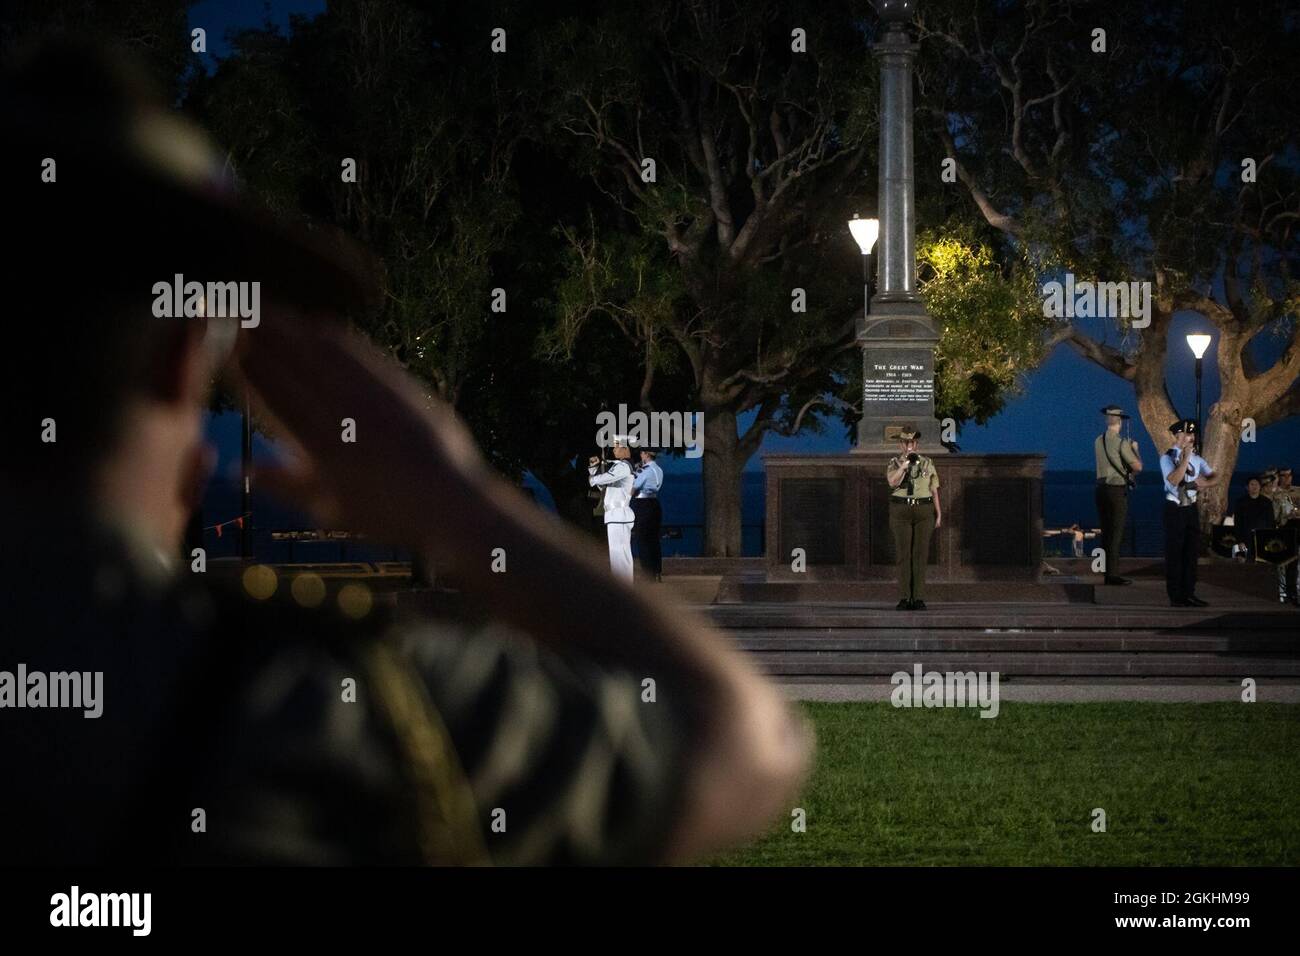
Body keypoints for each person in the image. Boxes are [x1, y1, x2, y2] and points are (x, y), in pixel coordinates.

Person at [0, 41, 810, 866]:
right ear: (180, 355)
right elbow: (741, 736)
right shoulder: (289, 699)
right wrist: (450, 499)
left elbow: (634, 480)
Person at [1159, 420, 1220, 607]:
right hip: (1175, 508)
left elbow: (1215, 477)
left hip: (1191, 507)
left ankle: (1189, 592)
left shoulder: (1198, 459)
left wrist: (1201, 483)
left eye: (1192, 435)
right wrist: (1185, 458)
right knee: (1175, 553)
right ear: (1177, 436)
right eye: (1187, 434)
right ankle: (1176, 595)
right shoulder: (1168, 458)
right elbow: (1175, 480)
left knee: (1191, 552)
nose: (1191, 438)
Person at [885, 428, 942, 610]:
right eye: (905, 443)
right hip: (901, 509)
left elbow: (934, 489)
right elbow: (892, 482)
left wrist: (938, 513)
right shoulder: (894, 463)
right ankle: (904, 597)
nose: (909, 446)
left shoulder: (927, 463)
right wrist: (903, 466)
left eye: (912, 443)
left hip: (924, 510)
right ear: (900, 445)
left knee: (920, 555)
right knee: (903, 554)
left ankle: (918, 597)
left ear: (916, 444)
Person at [1093, 404, 1143, 585]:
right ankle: (1112, 575)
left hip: (1100, 489)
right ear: (1119, 421)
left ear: (1108, 420)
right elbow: (1137, 467)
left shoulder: (1098, 440)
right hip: (1116, 491)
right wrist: (1135, 449)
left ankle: (1106, 571)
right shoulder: (1122, 443)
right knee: (1116, 533)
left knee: (1106, 532)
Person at [588, 436, 637, 583]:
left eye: (616, 447)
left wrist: (593, 477)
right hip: (615, 514)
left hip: (619, 514)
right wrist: (594, 469)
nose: (614, 450)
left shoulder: (623, 466)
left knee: (619, 555)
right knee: (619, 555)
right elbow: (604, 486)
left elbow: (604, 480)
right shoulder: (619, 466)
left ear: (625, 449)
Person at [631, 447, 665, 582]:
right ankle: (657, 571)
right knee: (654, 539)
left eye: (641, 453)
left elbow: (634, 486)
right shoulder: (659, 469)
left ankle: (648, 573)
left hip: (643, 504)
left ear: (646, 455)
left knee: (642, 539)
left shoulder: (645, 470)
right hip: (655, 503)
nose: (640, 456)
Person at [1271, 466, 1299, 604]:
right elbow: (1275, 516)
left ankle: (1293, 592)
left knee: (1294, 564)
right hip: (1285, 529)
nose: (1286, 478)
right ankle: (1289, 593)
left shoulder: (1298, 491)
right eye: (1283, 475)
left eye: (1289, 475)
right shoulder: (1276, 494)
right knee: (1288, 563)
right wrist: (1287, 516)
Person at [1229, 477, 1275, 561]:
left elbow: (1271, 522)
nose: (1254, 487)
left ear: (1260, 486)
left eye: (1256, 484)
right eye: (1252, 484)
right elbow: (1238, 522)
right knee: (1247, 564)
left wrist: (1270, 538)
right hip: (1246, 538)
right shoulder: (1240, 502)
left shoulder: (1267, 502)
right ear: (1247, 487)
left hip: (1262, 538)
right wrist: (1240, 540)